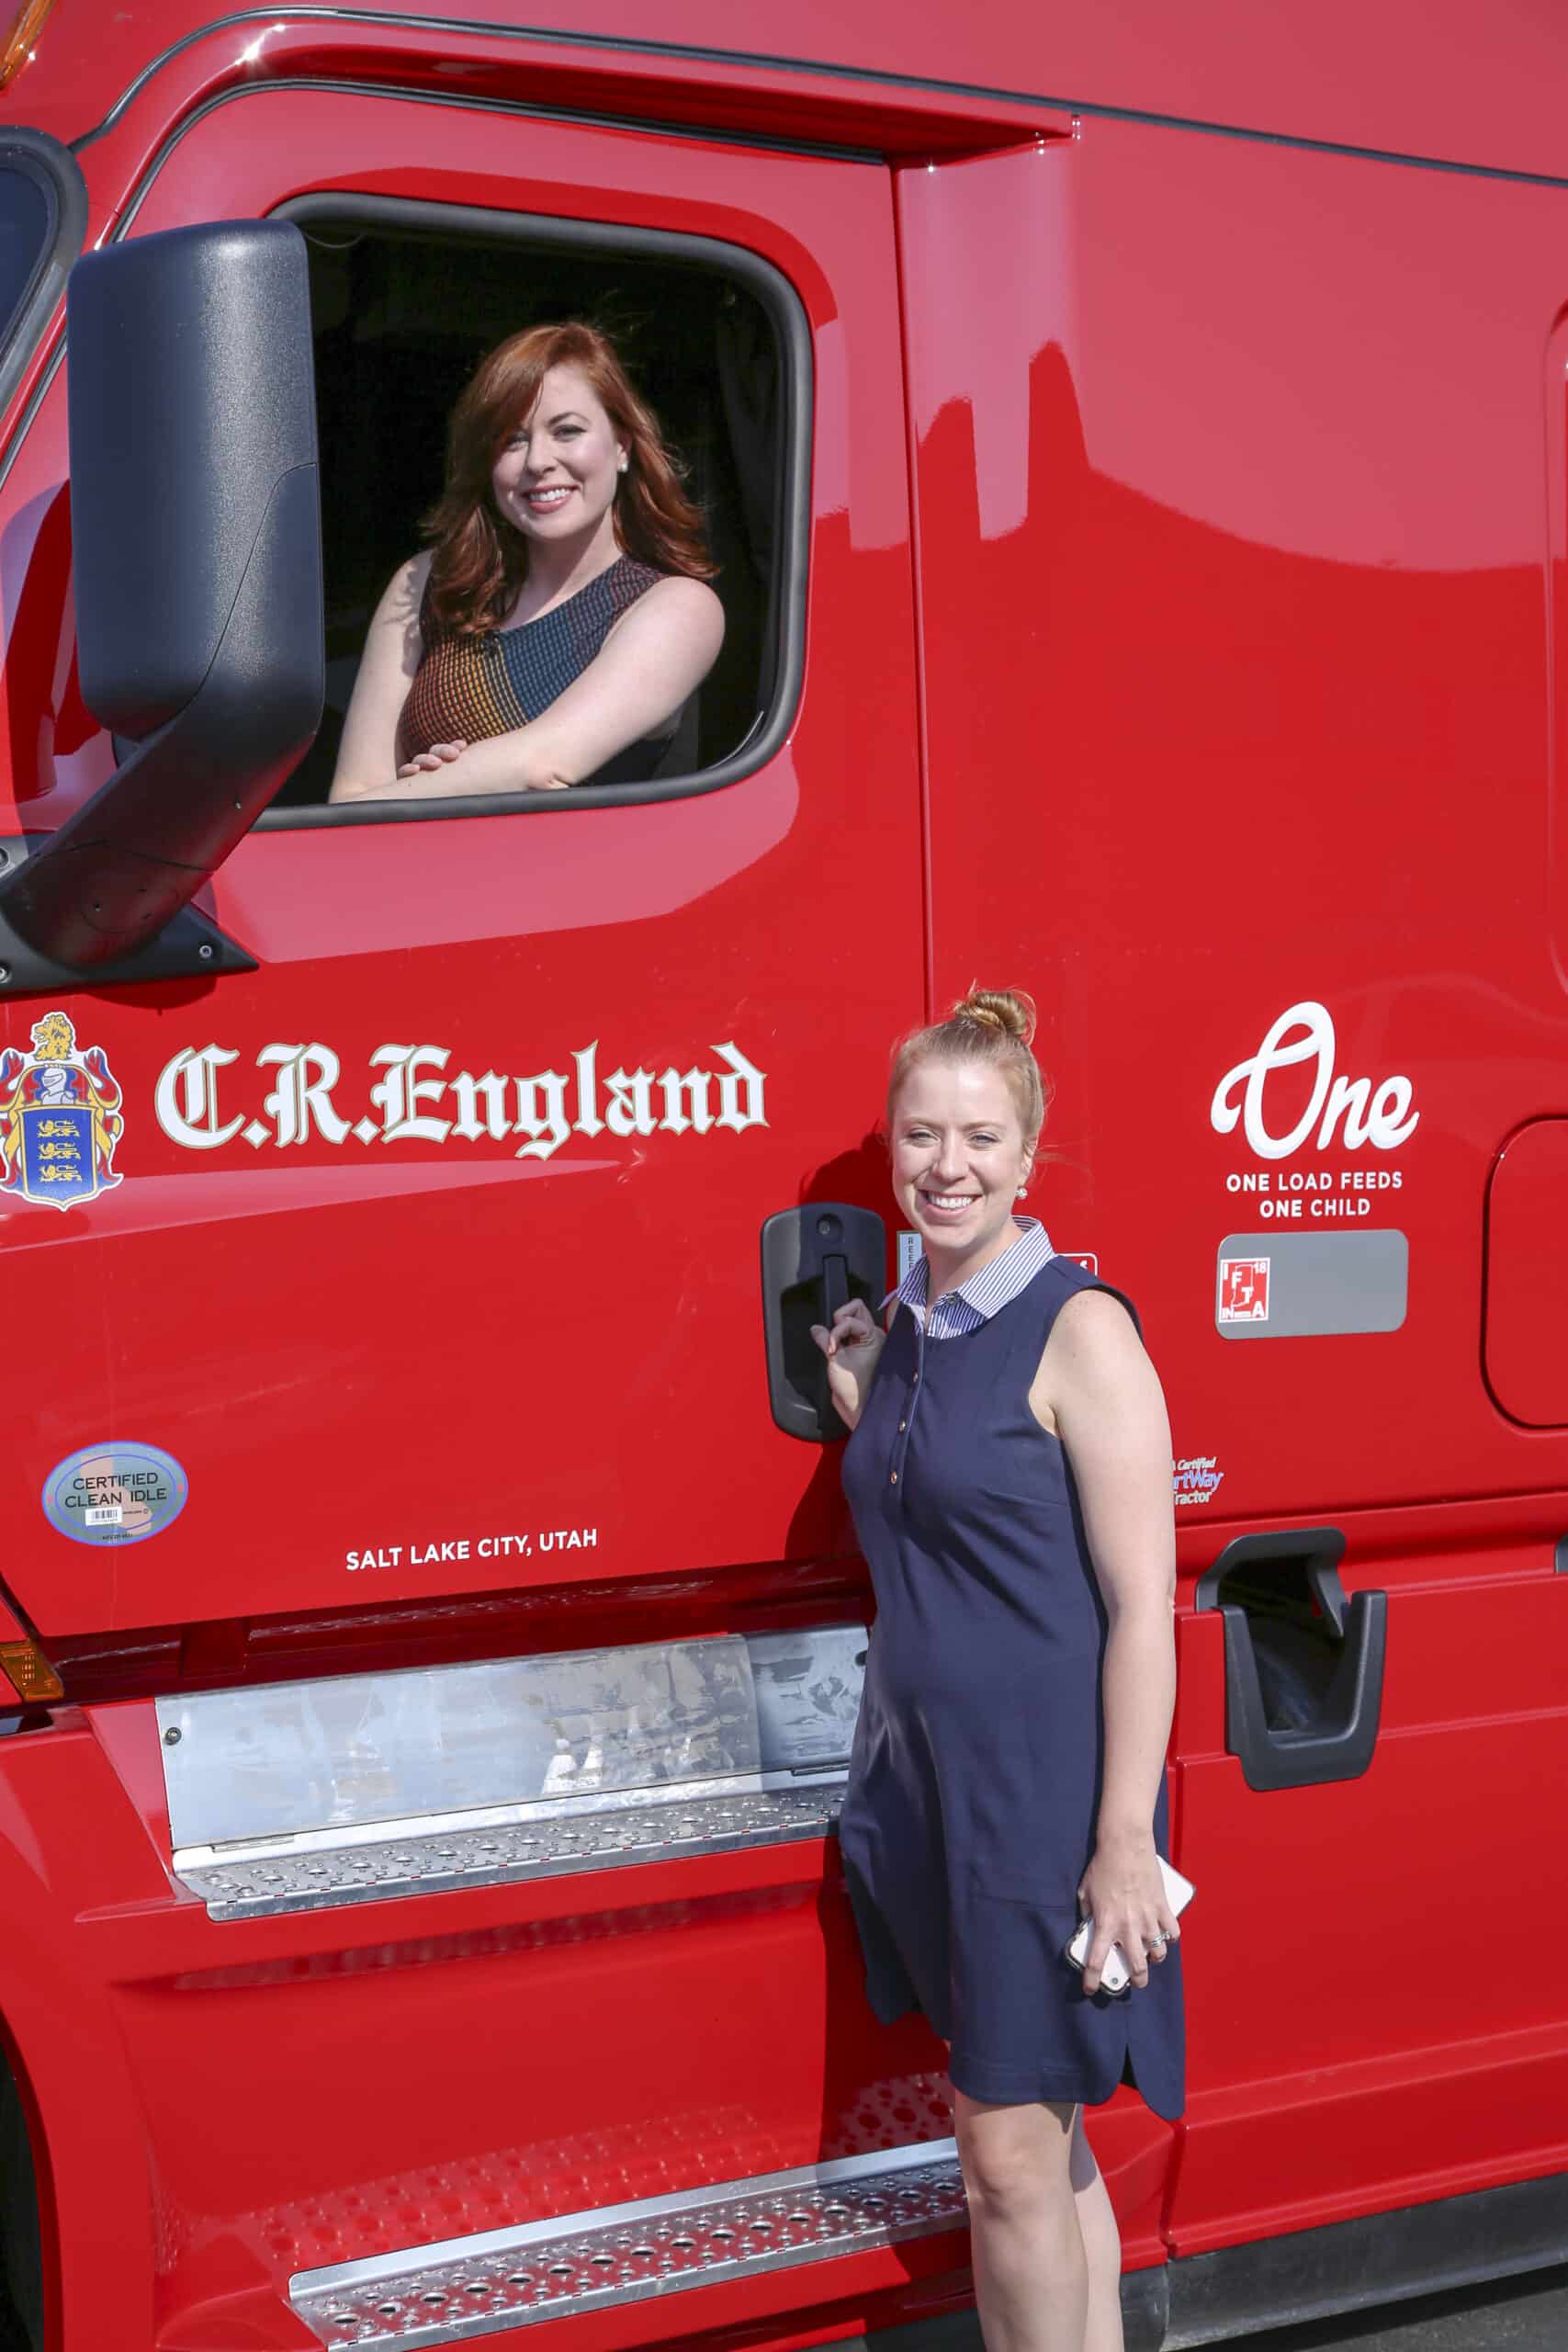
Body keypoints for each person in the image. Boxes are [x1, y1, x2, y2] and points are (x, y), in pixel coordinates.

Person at [812, 989, 1183, 2352]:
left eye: (978, 1136)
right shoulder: (908, 1328)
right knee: (1045, 2139)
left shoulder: (1079, 1329)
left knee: (1002, 2158)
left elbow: (1142, 1607)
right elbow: (939, 1496)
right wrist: (868, 1393)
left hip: (1041, 1804)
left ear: (1030, 1153)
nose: (945, 1166)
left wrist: (1121, 1841)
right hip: (926, 1793)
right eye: (919, 1136)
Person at [330, 321, 724, 803]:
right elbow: (348, 799)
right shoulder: (426, 582)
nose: (538, 460)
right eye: (512, 440)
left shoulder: (677, 607)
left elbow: (542, 763)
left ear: (622, 445)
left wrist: (425, 787)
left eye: (567, 431)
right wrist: (461, 780)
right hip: (412, 873)